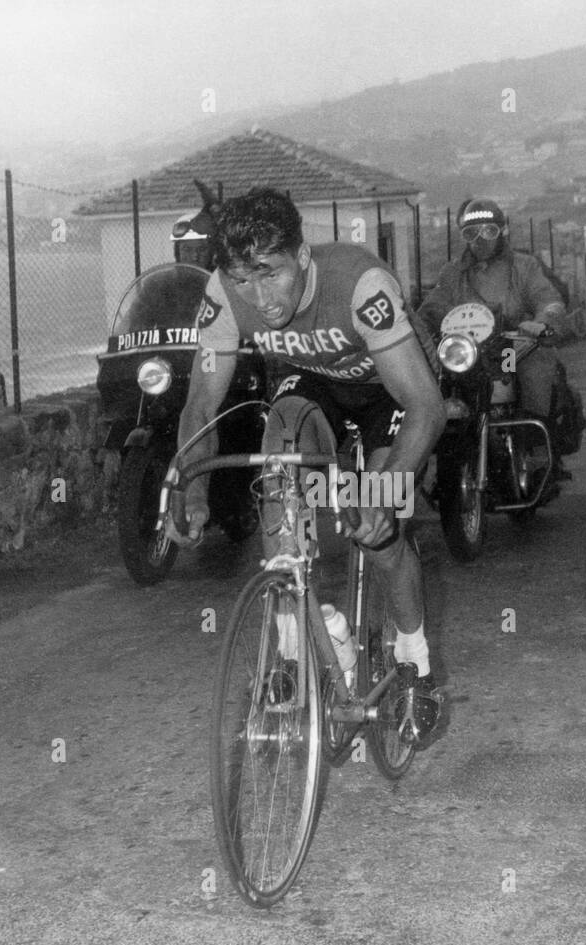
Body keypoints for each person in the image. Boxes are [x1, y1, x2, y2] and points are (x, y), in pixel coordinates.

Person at [168, 187, 446, 746]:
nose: (260, 298)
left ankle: (417, 662)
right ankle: (306, 634)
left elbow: (426, 407)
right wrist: (190, 487)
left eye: (270, 274)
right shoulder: (224, 293)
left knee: (376, 532)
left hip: (389, 388)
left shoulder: (359, 284)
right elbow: (201, 406)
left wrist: (385, 489)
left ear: (302, 256)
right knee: (281, 449)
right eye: (243, 280)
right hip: (315, 385)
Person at [417, 198, 583, 474]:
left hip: (513, 347)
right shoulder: (452, 273)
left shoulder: (524, 266)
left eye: (489, 231)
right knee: (437, 380)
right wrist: (413, 329)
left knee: (535, 366)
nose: (480, 240)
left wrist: (541, 323)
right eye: (471, 233)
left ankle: (534, 445)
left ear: (502, 231)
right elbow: (430, 309)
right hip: (469, 353)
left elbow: (548, 299)